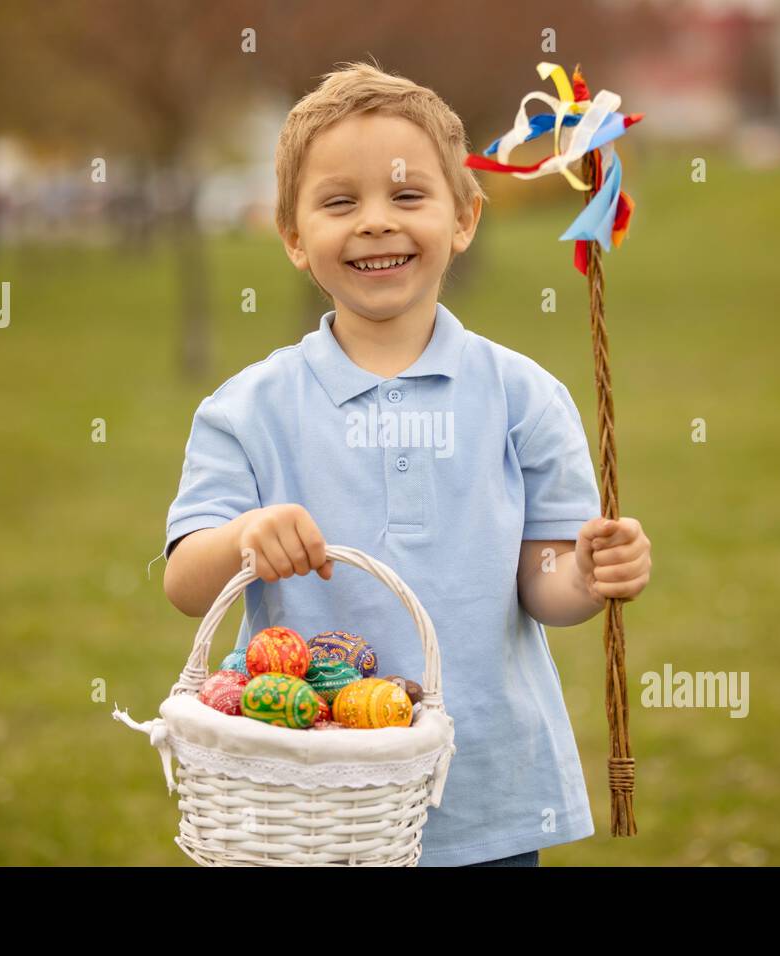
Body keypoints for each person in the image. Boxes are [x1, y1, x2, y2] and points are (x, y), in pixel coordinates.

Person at [161, 60, 652, 867]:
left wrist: (590, 576)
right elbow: (186, 585)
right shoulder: (245, 410)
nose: (376, 223)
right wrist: (247, 536)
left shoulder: (522, 396)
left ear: (465, 218)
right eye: (339, 202)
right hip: (311, 804)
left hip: (486, 799)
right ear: (292, 236)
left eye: (409, 196)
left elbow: (546, 585)